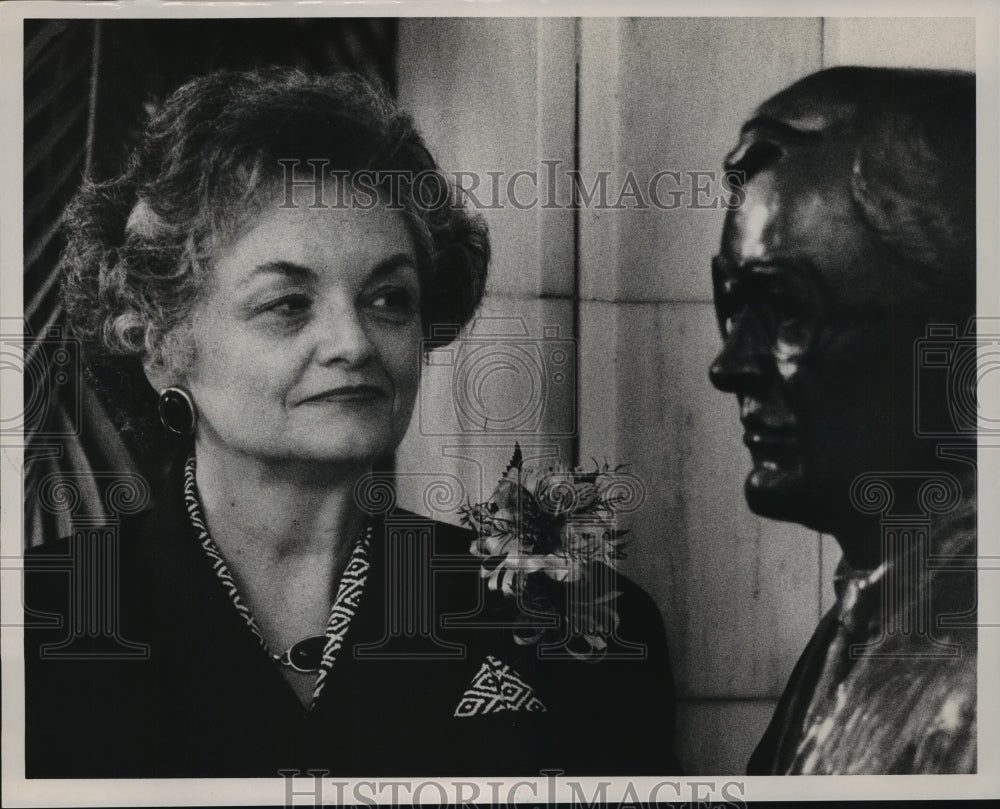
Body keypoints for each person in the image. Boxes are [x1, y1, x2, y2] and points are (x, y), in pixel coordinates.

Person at [24, 68, 679, 777]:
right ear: (159, 344)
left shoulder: (575, 624)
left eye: (388, 298)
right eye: (287, 303)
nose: (354, 342)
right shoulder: (37, 626)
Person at [709, 66, 977, 774]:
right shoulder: (866, 620)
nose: (728, 366)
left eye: (789, 312)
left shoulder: (969, 684)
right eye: (732, 307)